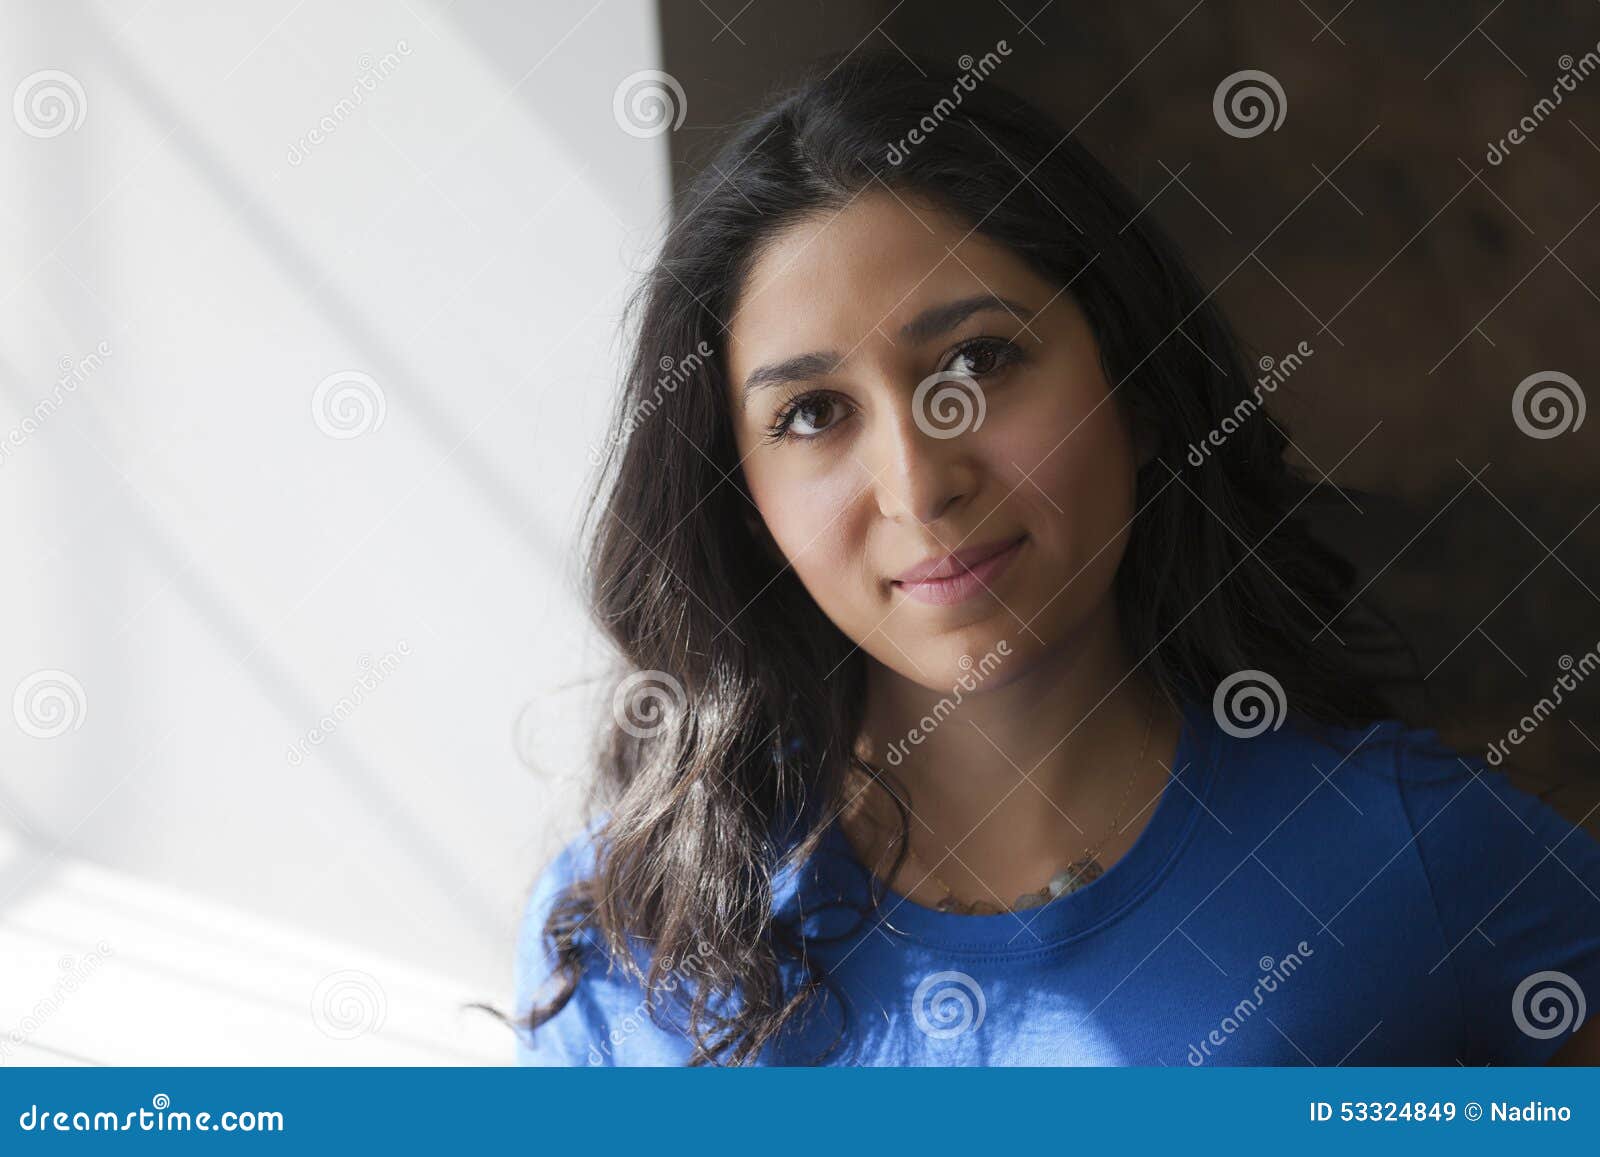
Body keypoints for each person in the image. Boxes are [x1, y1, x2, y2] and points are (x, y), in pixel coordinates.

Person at [508, 50, 1600, 1066]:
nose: (919, 481)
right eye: (810, 413)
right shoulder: (627, 935)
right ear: (741, 501)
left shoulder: (1415, 859)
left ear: (1137, 388)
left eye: (978, 359)